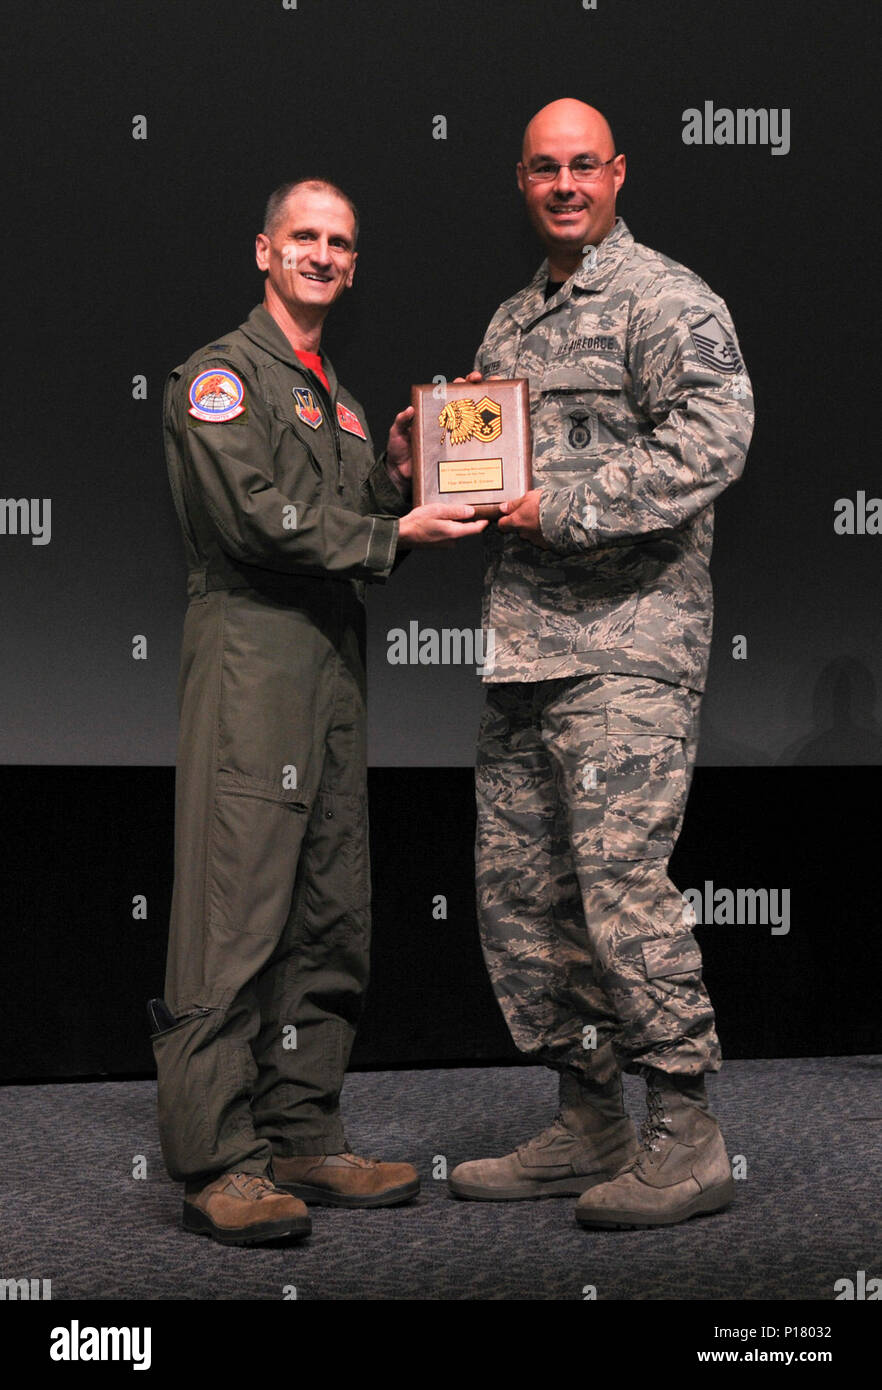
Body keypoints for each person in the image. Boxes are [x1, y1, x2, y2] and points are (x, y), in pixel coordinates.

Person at [152, 177, 486, 1245]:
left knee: (327, 917)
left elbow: (339, 511)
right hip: (254, 676)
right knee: (233, 921)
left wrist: (392, 472)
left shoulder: (331, 396)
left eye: (341, 242)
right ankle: (217, 1159)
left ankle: (299, 1131)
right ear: (264, 250)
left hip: (333, 682)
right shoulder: (220, 377)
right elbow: (258, 519)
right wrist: (394, 537)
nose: (324, 255)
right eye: (305, 237)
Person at [448, 100, 754, 1228]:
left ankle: (687, 1130)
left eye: (585, 166)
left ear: (619, 175)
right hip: (525, 650)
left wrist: (563, 508)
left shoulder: (669, 298)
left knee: (623, 892)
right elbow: (493, 471)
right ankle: (591, 1118)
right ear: (521, 181)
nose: (565, 183)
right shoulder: (511, 321)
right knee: (530, 903)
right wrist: (431, 463)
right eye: (544, 168)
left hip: (630, 647)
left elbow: (714, 442)